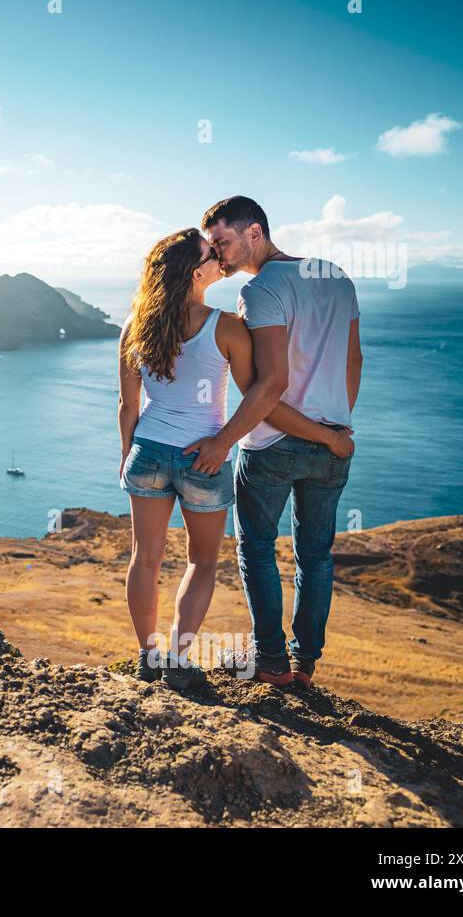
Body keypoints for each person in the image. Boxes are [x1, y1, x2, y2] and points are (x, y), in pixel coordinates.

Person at [118, 227, 354, 691]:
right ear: (195, 271)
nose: (219, 262)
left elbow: (128, 405)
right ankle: (179, 657)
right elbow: (258, 395)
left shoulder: (134, 325)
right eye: (211, 255)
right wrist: (319, 435)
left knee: (144, 559)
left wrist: (127, 457)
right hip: (204, 460)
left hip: (147, 452)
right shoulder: (226, 326)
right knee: (200, 563)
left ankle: (149, 655)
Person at [184, 196, 363, 688]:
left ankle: (271, 664)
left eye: (222, 241)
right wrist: (336, 427)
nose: (218, 255)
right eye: (212, 247)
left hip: (271, 447)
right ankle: (305, 666)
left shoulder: (260, 291)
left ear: (255, 233)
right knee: (316, 555)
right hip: (333, 446)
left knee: (258, 550)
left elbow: (270, 385)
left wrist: (222, 441)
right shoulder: (334, 275)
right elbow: (353, 362)